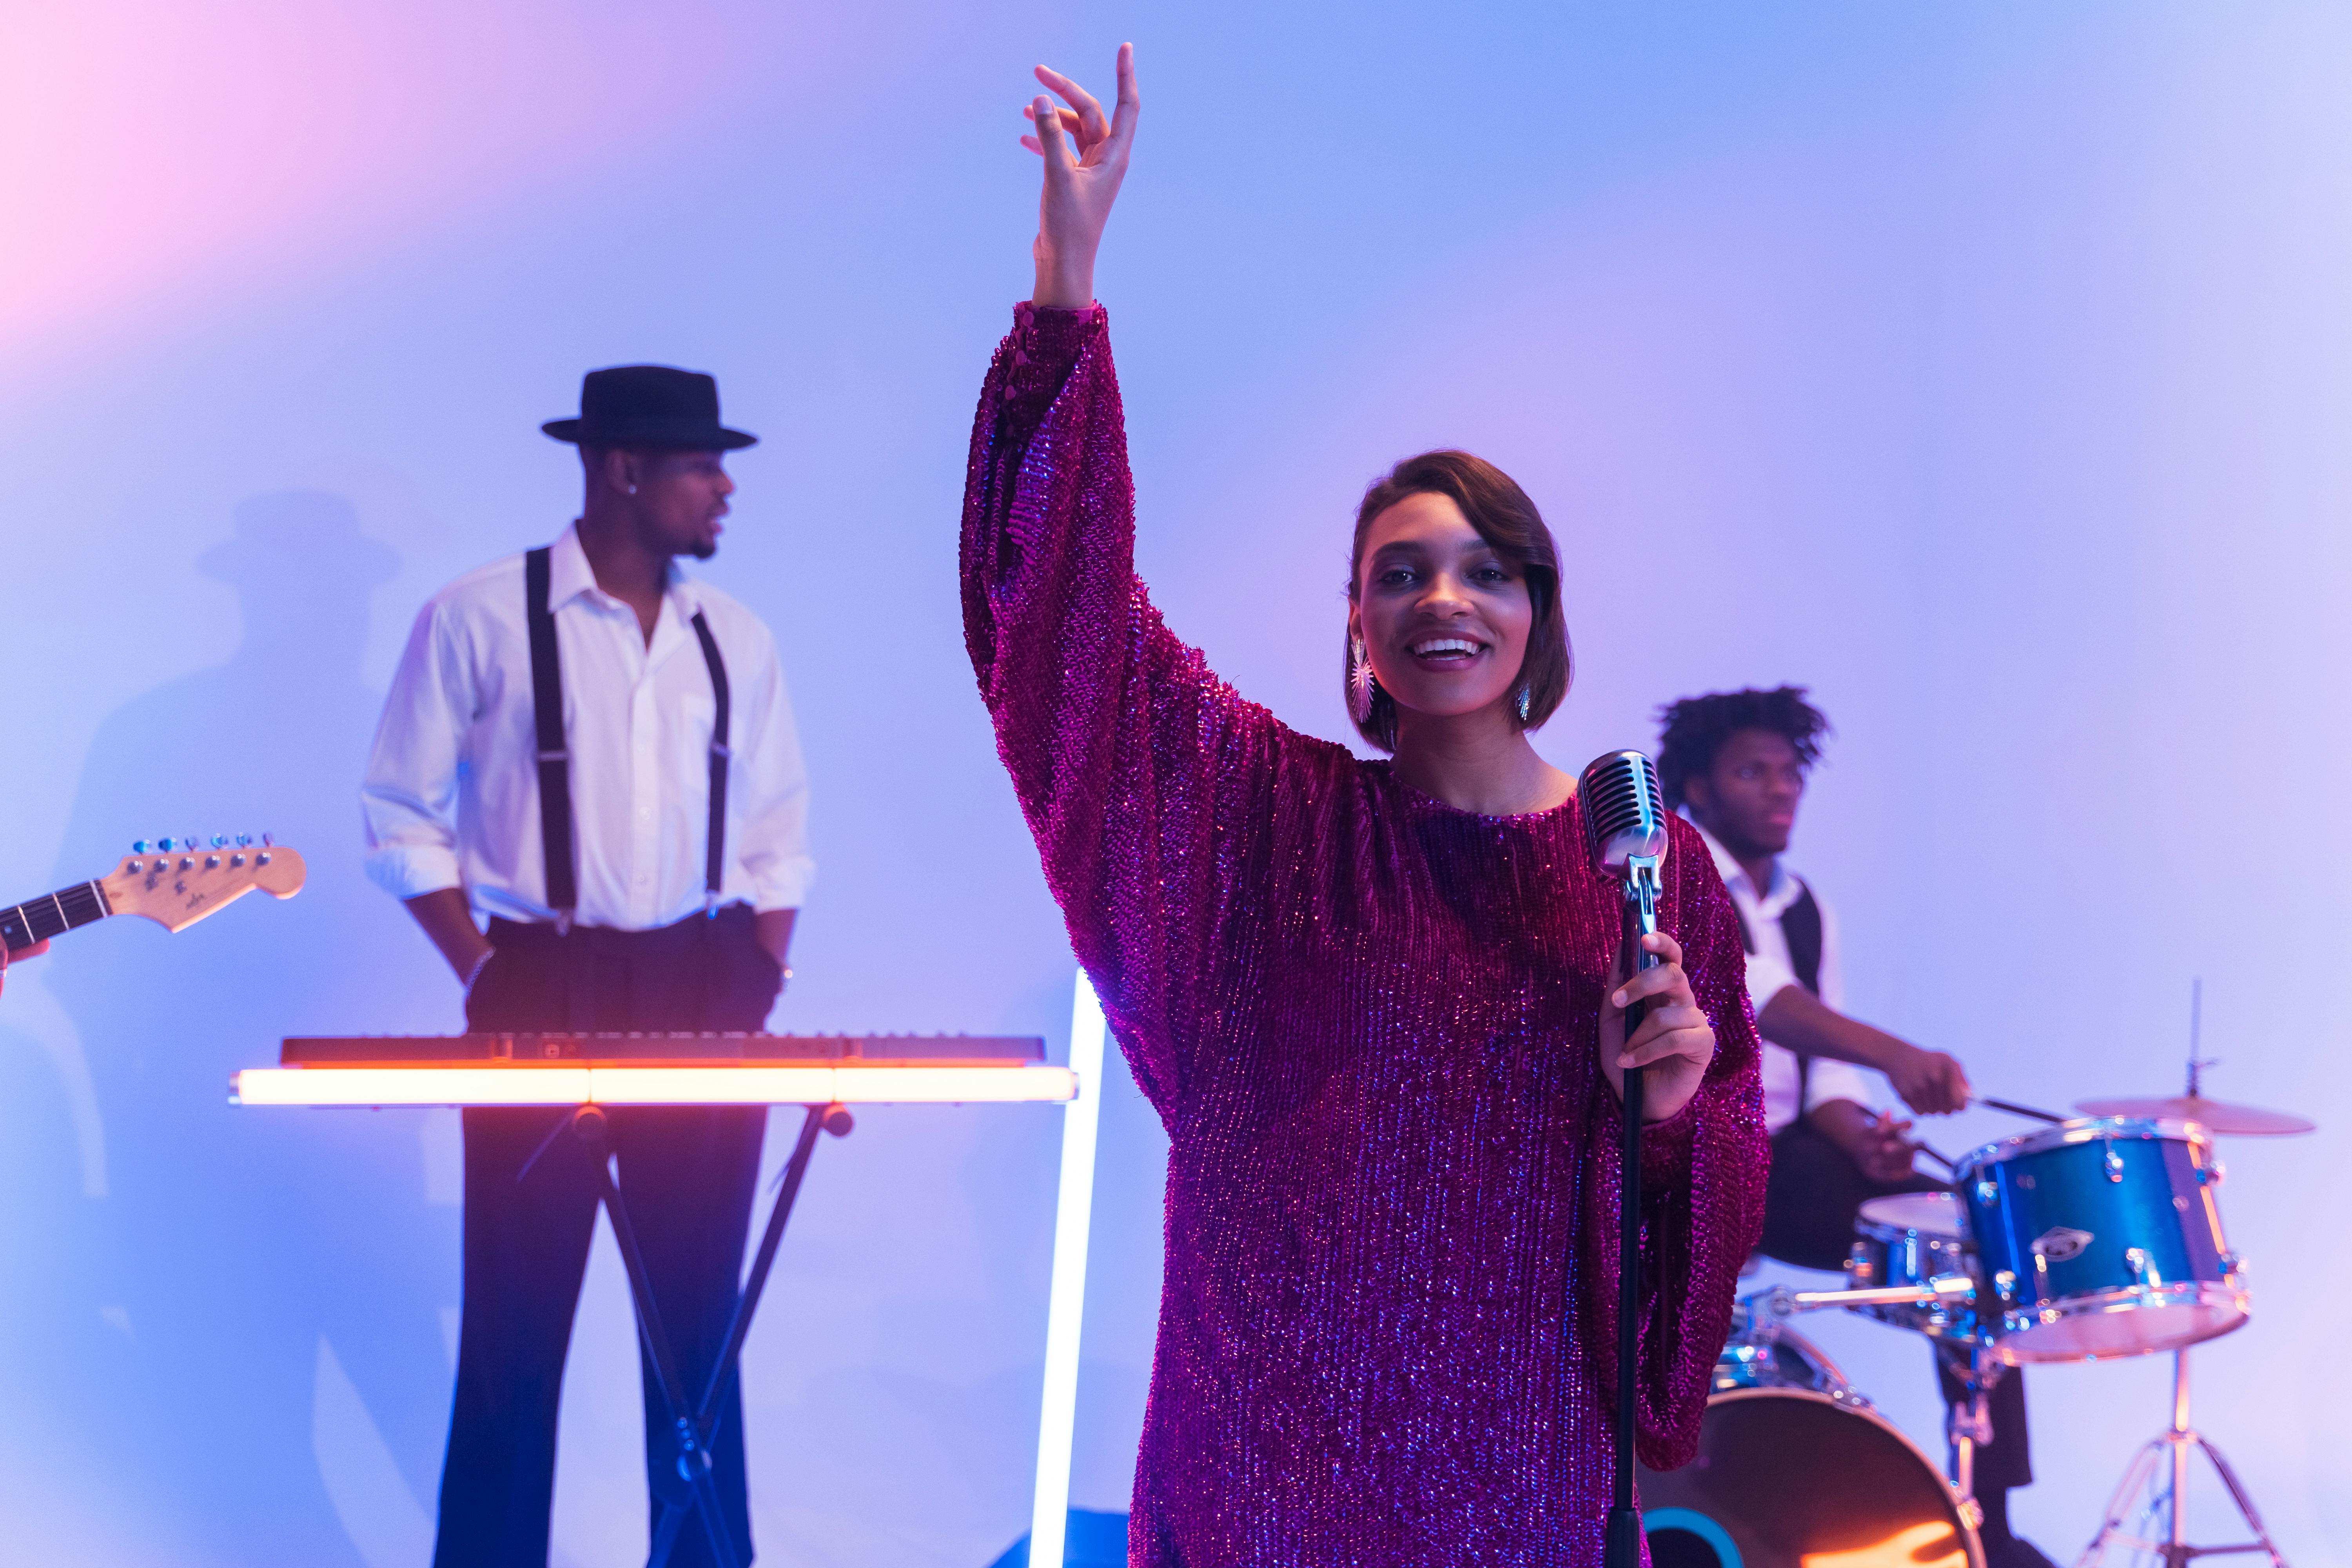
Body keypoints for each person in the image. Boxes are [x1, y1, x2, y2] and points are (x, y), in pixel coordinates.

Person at [964, 45, 1766, 1563]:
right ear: (1356, 625)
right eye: (1401, 572)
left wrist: (1673, 1109)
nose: (1443, 598)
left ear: (1541, 611)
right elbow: (1059, 634)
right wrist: (1067, 289)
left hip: (1522, 1473)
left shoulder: (1650, 874)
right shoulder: (1269, 820)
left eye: (1484, 569)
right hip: (1266, 1467)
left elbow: (1703, 1207)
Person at [361, 365, 812, 1568]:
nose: (724, 490)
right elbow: (398, 813)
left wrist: (750, 983)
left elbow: (779, 840)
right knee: (513, 1337)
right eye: (700, 466)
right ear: (622, 469)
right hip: (537, 986)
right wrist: (480, 970)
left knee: (700, 1342)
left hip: (702, 991)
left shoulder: (738, 639)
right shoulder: (480, 617)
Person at [1657, 686, 2052, 1568]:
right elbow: (1757, 996)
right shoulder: (1671, 873)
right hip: (1690, 1155)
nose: (1780, 788)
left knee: (1971, 1235)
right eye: (1751, 771)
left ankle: (1991, 1518)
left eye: (1790, 771)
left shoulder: (1805, 905)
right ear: (1698, 786)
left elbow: (1818, 1079)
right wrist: (1897, 1053)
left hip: (1785, 1156)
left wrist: (1860, 1137)